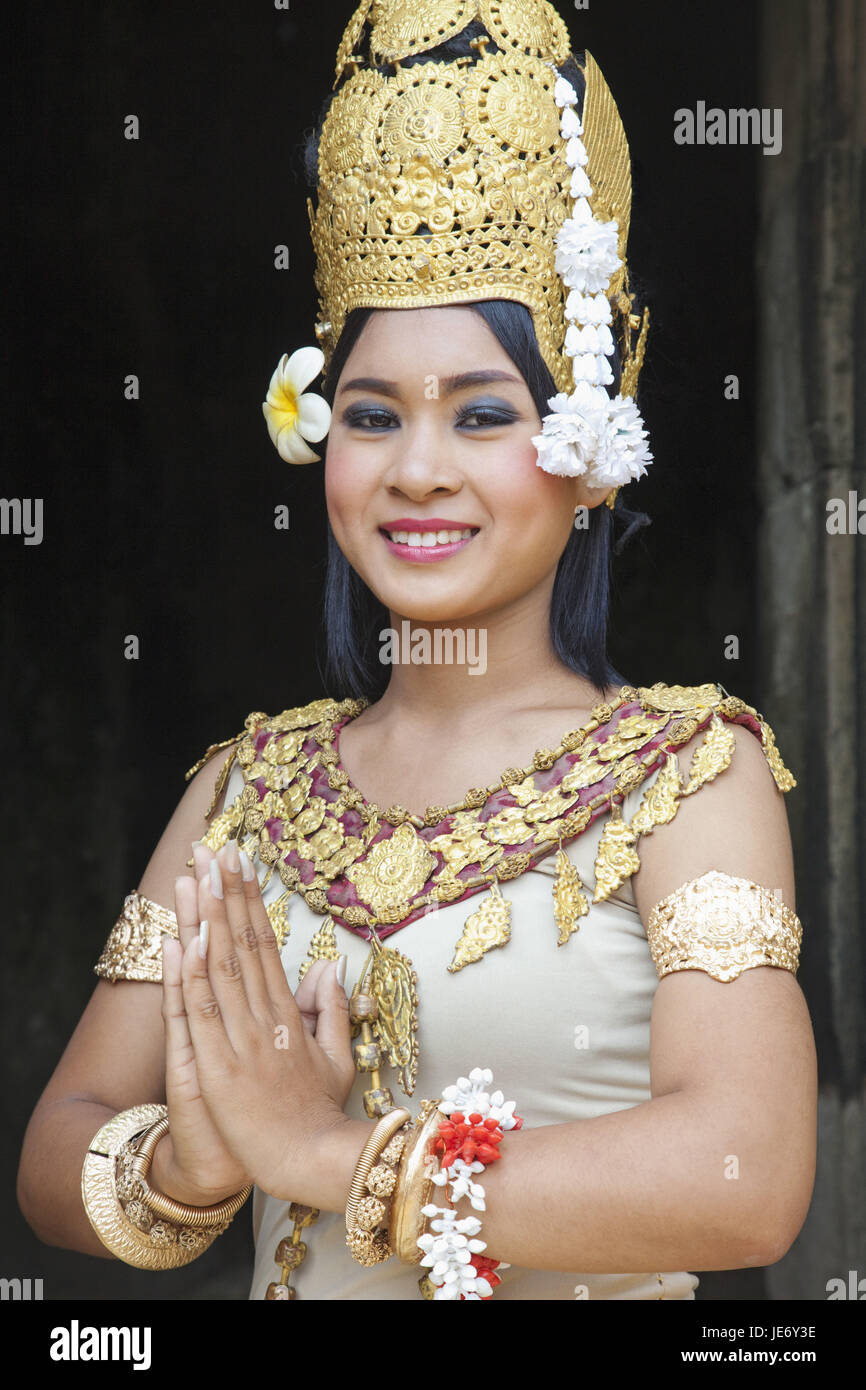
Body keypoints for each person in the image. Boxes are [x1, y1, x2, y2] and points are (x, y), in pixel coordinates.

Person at [18, 0, 816, 1301]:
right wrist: (191, 1161)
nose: (418, 471)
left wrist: (323, 1152)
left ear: (587, 450)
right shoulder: (244, 793)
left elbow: (747, 1175)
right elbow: (59, 1148)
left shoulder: (686, 774)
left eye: (483, 411)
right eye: (375, 414)